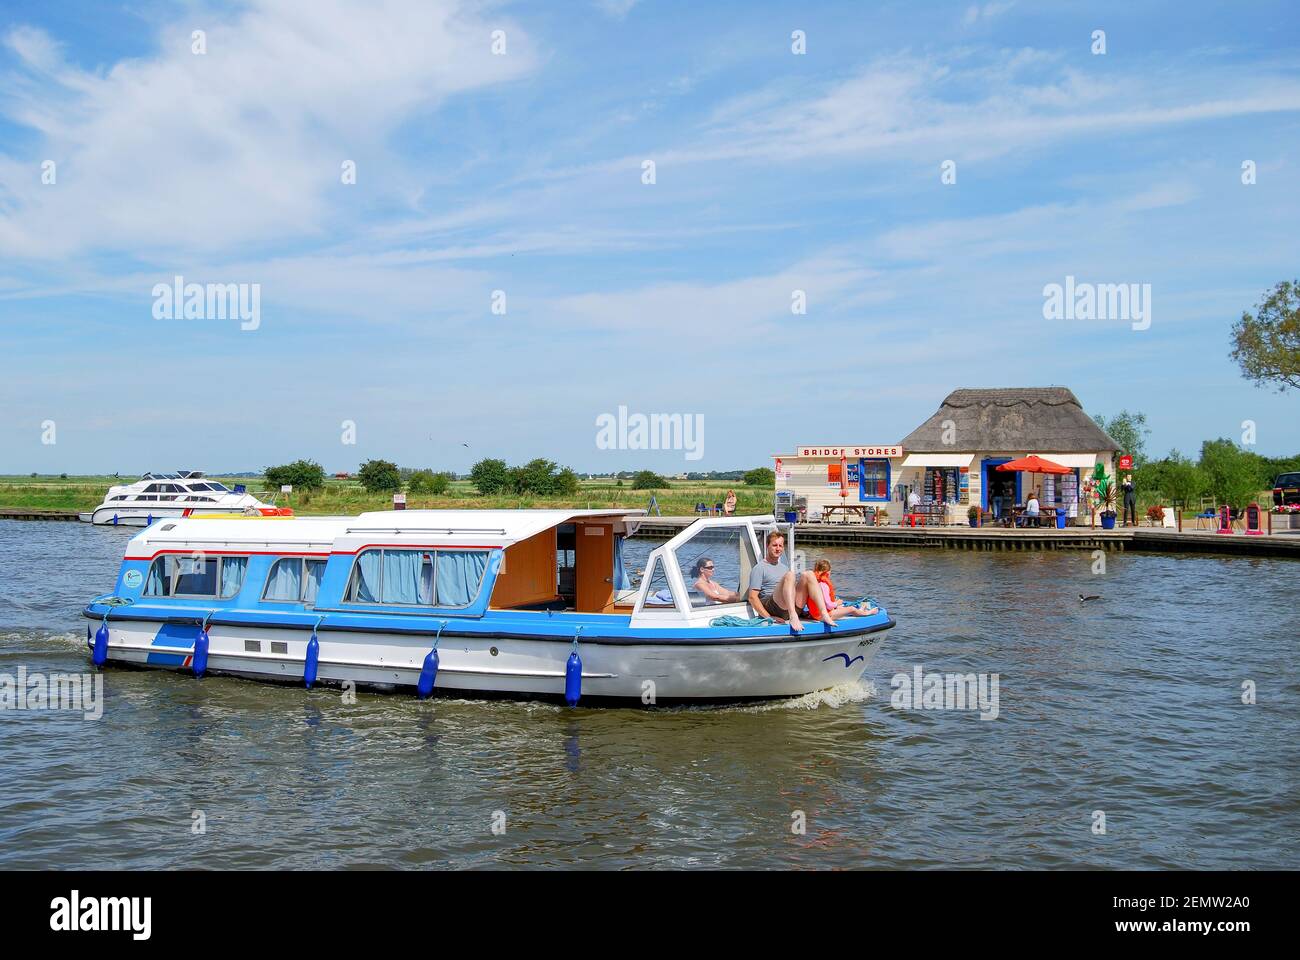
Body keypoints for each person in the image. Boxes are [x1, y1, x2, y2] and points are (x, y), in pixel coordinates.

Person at [747, 530, 833, 632]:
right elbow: (752, 597)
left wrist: (805, 612)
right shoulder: (759, 568)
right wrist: (769, 617)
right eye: (774, 545)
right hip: (774, 607)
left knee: (808, 574)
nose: (778, 548)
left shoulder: (784, 567)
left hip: (790, 606)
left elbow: (793, 591)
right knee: (790, 575)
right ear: (767, 546)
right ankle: (793, 616)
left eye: (780, 546)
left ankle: (823, 613)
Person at [807, 559, 878, 620]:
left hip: (815, 614)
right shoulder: (823, 585)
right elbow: (829, 605)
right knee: (851, 609)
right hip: (823, 616)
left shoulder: (814, 583)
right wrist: (836, 603)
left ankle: (860, 611)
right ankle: (867, 613)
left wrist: (836, 604)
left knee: (840, 607)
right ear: (828, 572)